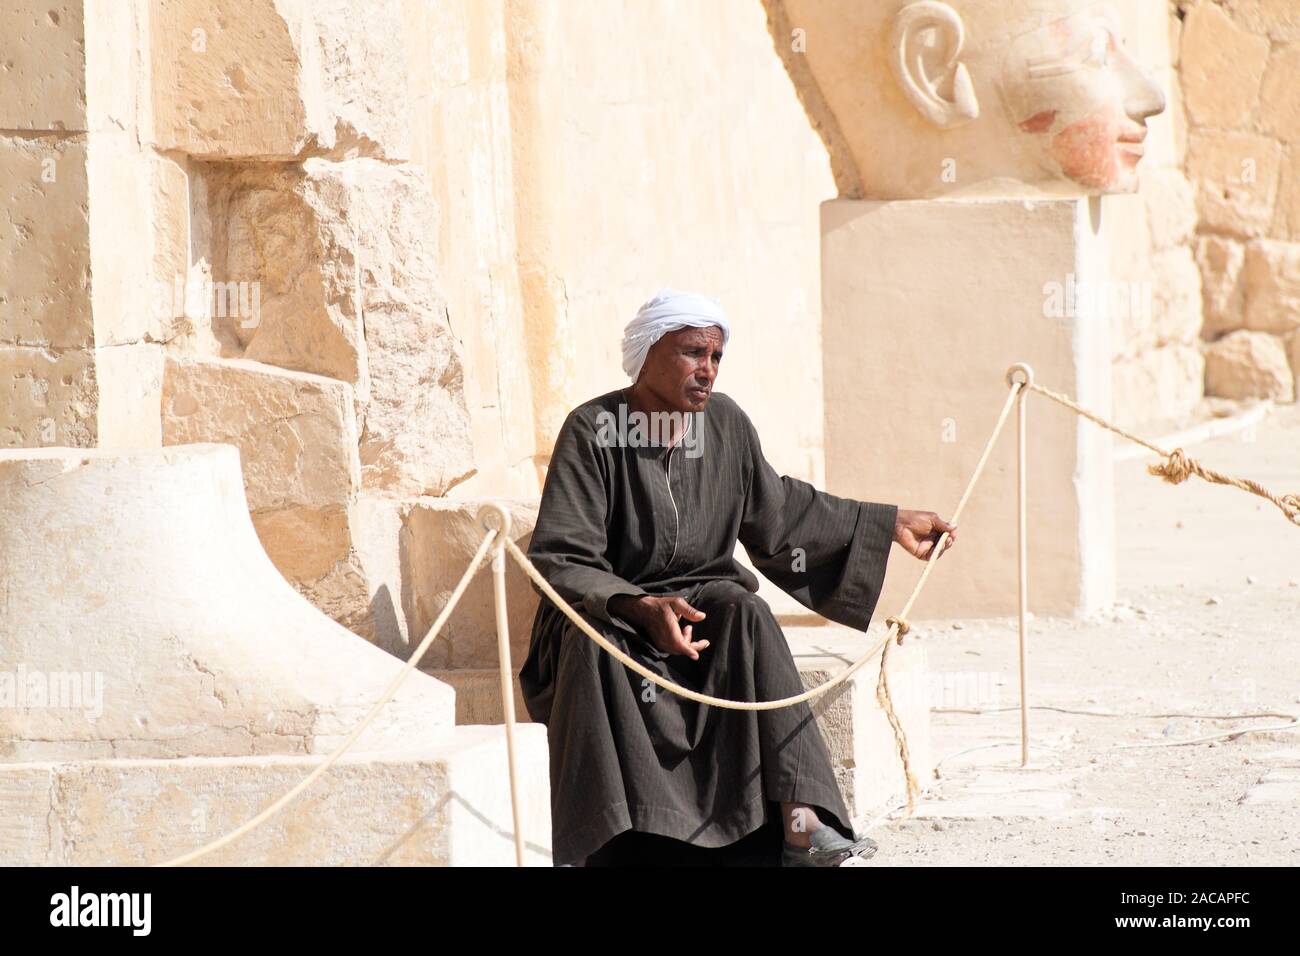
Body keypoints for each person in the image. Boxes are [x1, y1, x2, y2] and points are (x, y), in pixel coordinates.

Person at [518, 288, 957, 866]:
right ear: (647, 353)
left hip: (703, 605)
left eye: (716, 357)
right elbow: (563, 558)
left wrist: (887, 522)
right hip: (609, 612)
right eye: (692, 353)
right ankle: (608, 843)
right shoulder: (594, 428)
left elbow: (780, 513)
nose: (707, 370)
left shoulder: (724, 423)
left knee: (745, 613)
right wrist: (638, 607)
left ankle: (802, 822)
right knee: (595, 648)